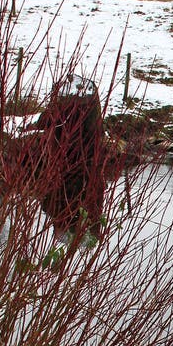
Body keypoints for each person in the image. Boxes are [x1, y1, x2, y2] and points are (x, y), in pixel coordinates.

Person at [34, 74, 106, 238]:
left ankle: (70, 228)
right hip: (80, 171)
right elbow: (96, 132)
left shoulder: (61, 109)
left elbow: (44, 122)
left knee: (65, 202)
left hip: (66, 171)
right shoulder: (88, 115)